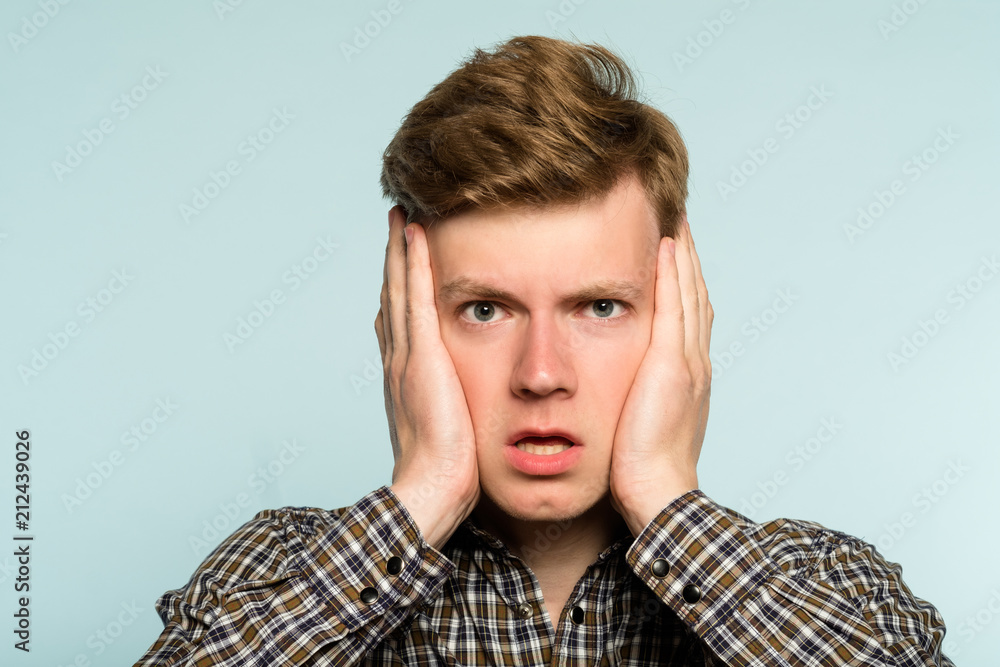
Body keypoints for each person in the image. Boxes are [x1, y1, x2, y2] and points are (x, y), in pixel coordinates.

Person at [133, 35, 953, 666]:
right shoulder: (277, 574)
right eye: (485, 309)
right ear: (405, 324)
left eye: (599, 305)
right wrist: (419, 500)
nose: (542, 374)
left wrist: (671, 507)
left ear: (676, 320)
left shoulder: (826, 582)